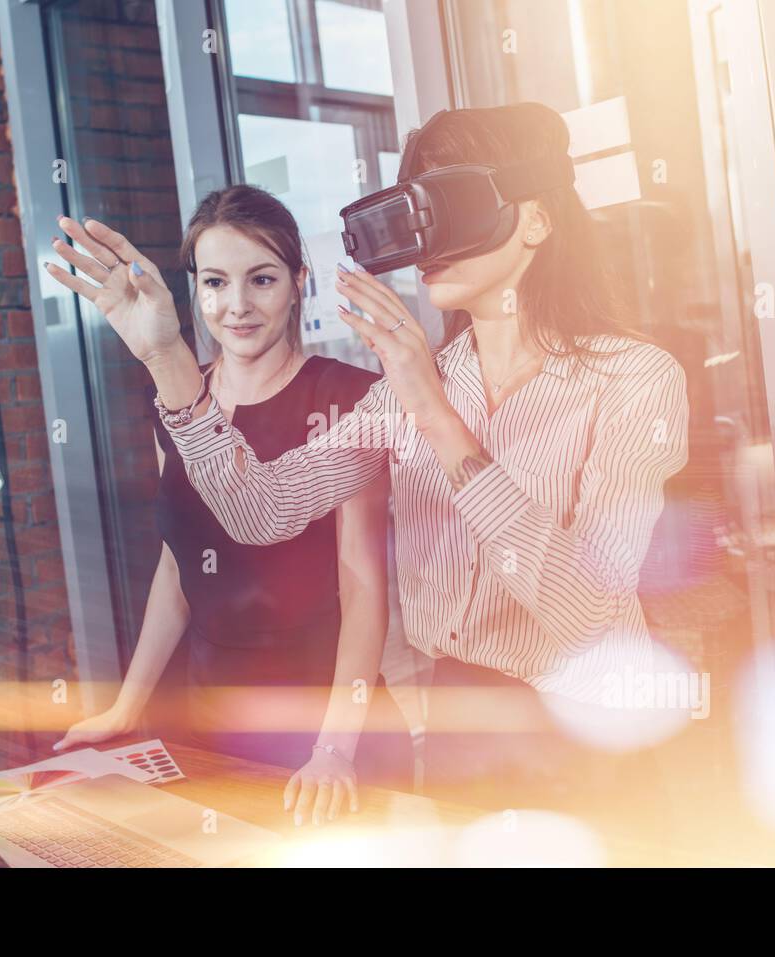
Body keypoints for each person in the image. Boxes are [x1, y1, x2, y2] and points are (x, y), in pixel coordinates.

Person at [50, 103, 690, 816]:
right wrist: (166, 356)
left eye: (450, 207)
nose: (427, 245)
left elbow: (590, 617)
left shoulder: (634, 380)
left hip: (592, 729)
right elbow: (262, 511)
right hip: (458, 727)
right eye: (418, 216)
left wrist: (438, 420)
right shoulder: (412, 386)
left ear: (535, 220)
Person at [48, 185, 411, 826]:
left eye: (262, 279)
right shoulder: (178, 402)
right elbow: (178, 567)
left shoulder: (350, 397)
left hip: (328, 727)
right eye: (215, 282)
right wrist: (129, 705)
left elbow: (363, 591)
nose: (236, 305)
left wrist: (333, 749)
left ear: (298, 284)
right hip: (210, 720)